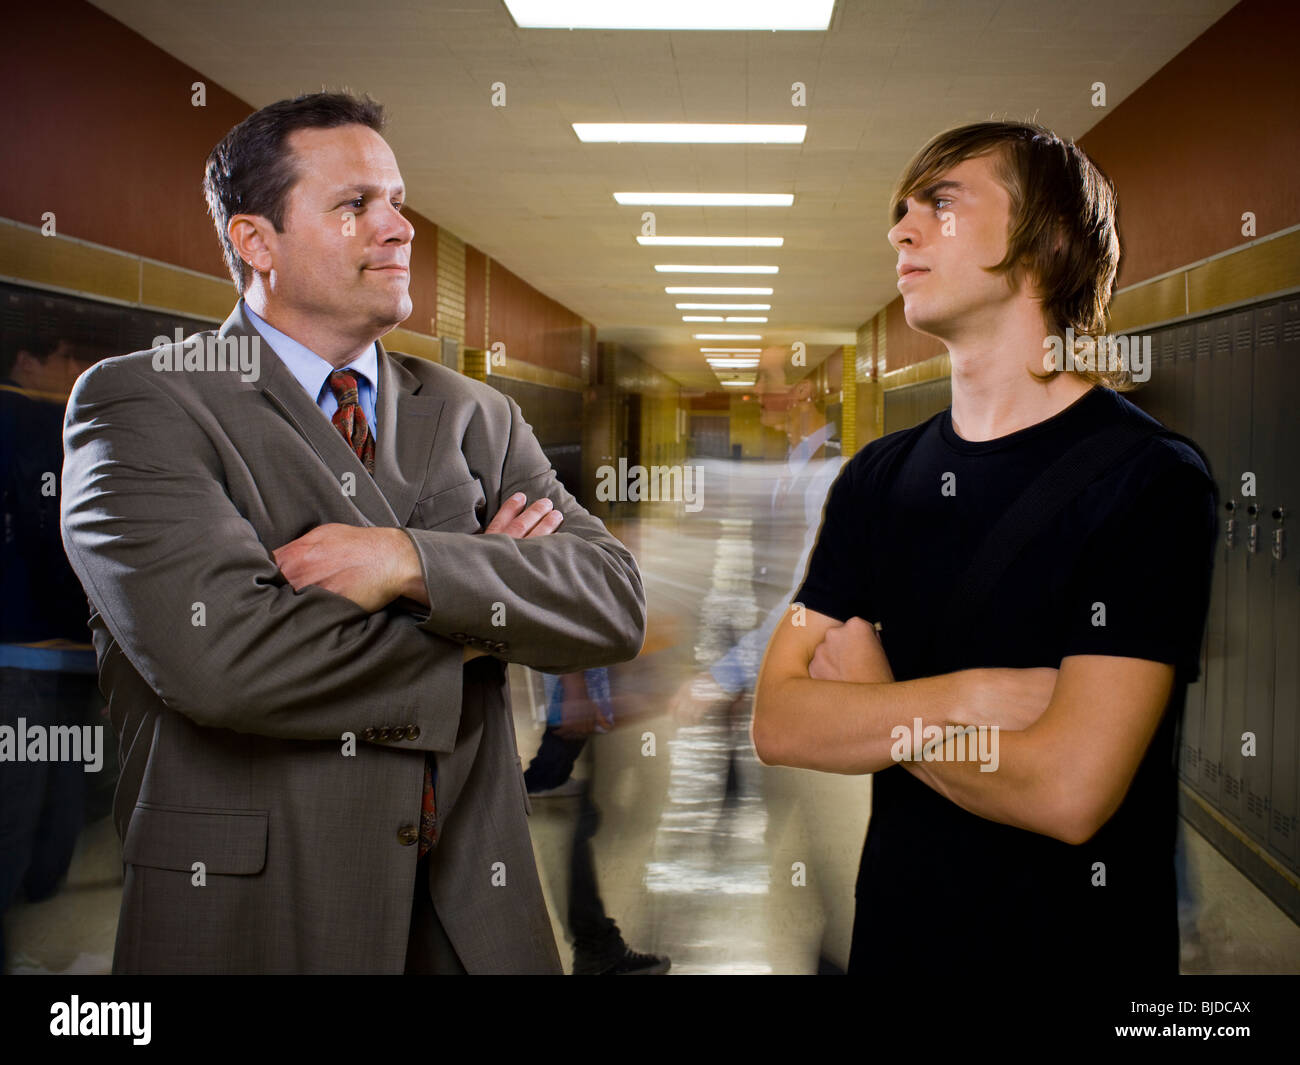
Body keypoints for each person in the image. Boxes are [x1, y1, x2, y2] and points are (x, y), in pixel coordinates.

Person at [59, 91, 646, 974]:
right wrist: (491, 604)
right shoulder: (142, 402)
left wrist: (404, 560)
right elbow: (226, 660)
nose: (399, 228)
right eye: (354, 205)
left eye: (398, 201)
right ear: (256, 242)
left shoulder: (473, 412)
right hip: (258, 916)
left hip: (473, 915)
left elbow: (611, 602)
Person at [752, 121, 1216, 979]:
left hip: (1076, 951)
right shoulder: (877, 477)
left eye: (941, 202)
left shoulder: (1149, 482)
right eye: (899, 211)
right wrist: (967, 698)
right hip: (897, 936)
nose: (900, 230)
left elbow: (1068, 792)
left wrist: (883, 705)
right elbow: (779, 721)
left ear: (1047, 238)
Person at [0, 335, 103, 970]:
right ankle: (39, 903)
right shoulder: (67, 424)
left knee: (20, 794)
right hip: (78, 650)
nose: (77, 372)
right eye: (68, 359)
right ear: (27, 360)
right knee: (63, 784)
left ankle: (23, 920)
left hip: (21, 652)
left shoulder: (43, 423)